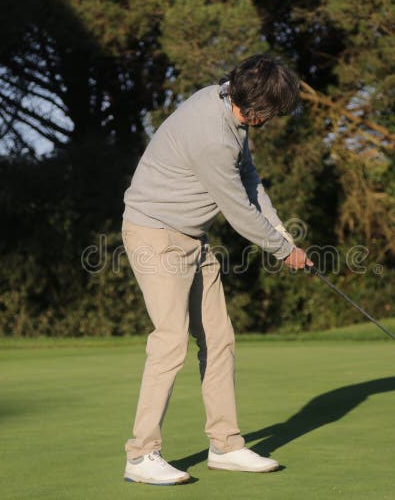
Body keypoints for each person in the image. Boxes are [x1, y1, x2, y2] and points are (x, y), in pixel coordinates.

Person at [120, 54, 312, 485]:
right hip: (156, 233)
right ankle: (141, 455)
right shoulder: (213, 136)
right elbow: (239, 212)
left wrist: (282, 232)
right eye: (271, 112)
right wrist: (283, 250)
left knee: (219, 338)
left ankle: (225, 445)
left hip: (191, 236)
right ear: (256, 108)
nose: (271, 119)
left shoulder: (228, 108)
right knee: (171, 340)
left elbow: (250, 180)